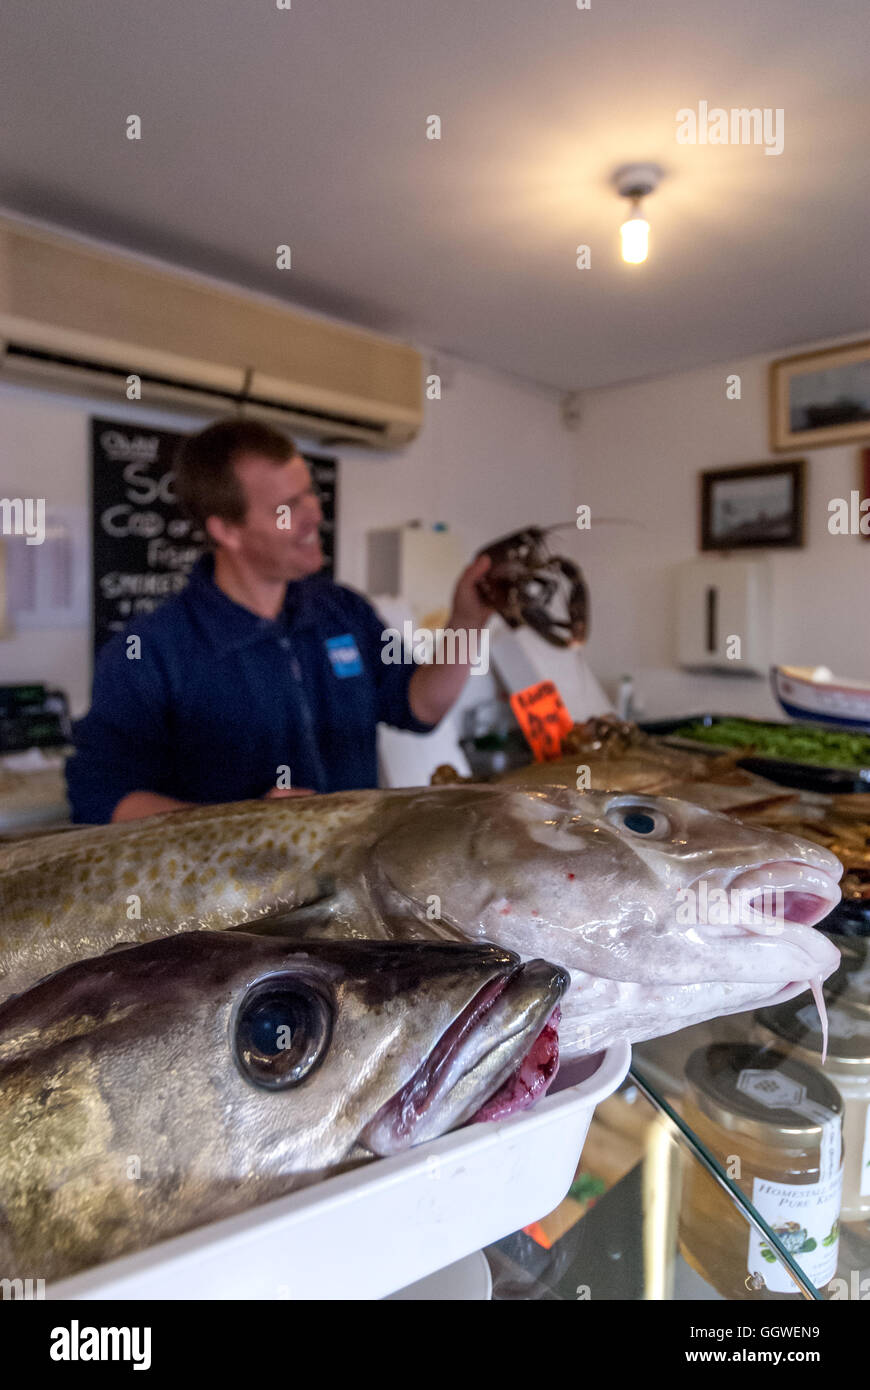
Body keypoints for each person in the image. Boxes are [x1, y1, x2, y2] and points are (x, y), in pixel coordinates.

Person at [66, 418, 492, 823]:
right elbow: (101, 795)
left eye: (309, 494)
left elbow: (420, 707)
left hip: (351, 879)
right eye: (288, 508)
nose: (314, 516)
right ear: (227, 531)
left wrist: (468, 619)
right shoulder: (149, 650)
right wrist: (239, 823)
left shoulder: (342, 611)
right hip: (235, 892)